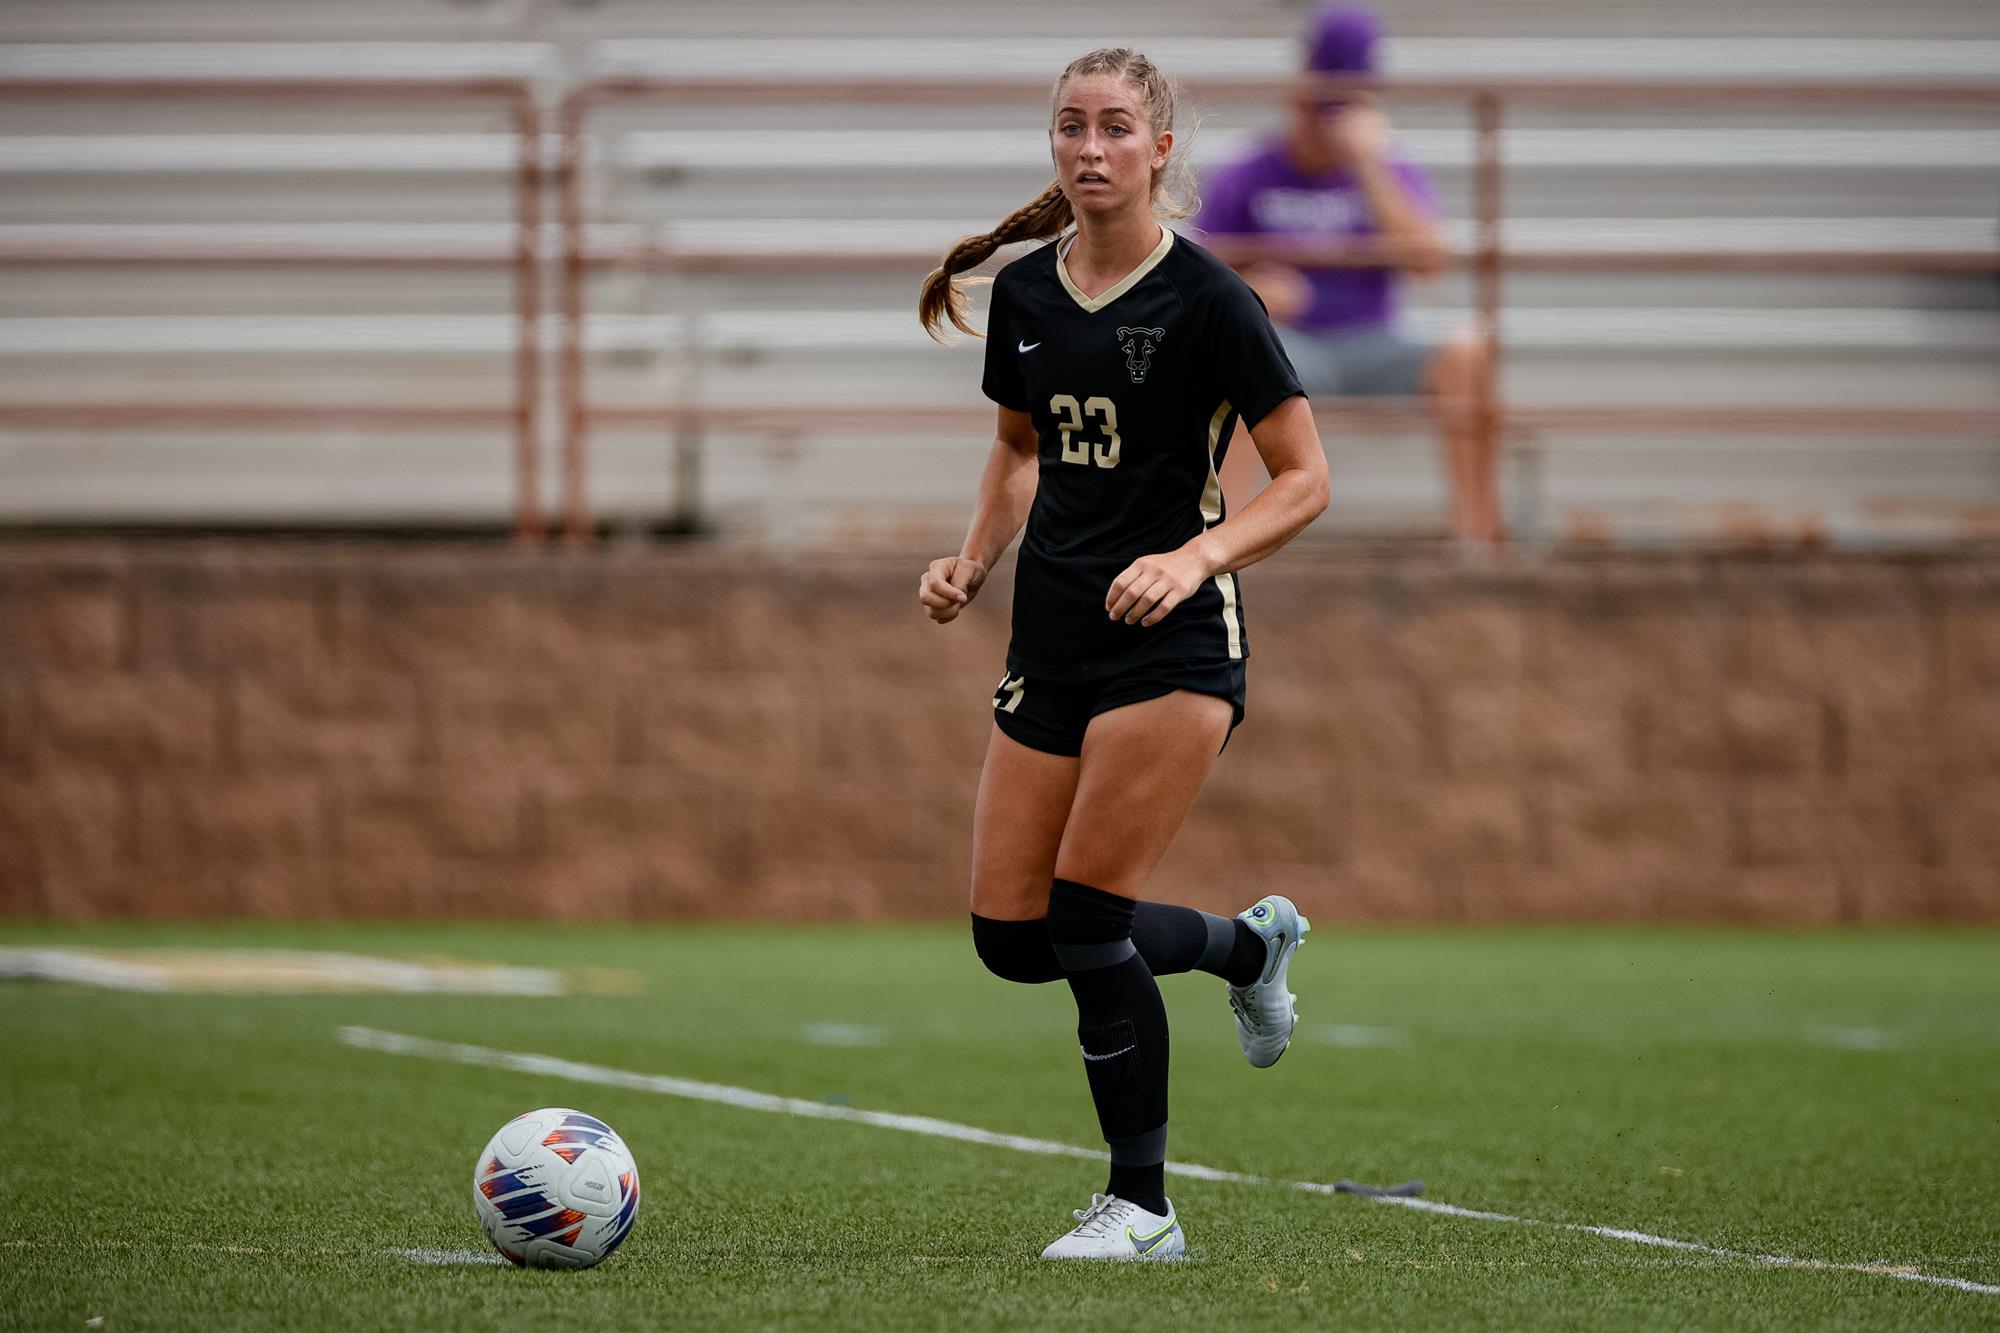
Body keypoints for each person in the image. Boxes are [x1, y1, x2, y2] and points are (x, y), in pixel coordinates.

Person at [914, 47, 1331, 1261]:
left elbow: (1304, 481)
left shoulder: (1209, 300)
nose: (1087, 149)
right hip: (1049, 633)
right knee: (1011, 938)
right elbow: (1018, 451)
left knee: (1087, 920)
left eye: (1111, 129)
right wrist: (971, 558)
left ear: (1158, 150)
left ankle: (1141, 1207)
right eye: (1067, 128)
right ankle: (1248, 947)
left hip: (1174, 643)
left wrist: (1196, 561)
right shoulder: (1031, 297)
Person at [1199, 3, 1501, 549]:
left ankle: (1476, 543)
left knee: (1469, 351)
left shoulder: (1386, 166)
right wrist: (1247, 291)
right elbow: (1191, 271)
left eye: (1342, 109)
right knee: (1236, 356)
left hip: (1372, 343)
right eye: (1318, 107)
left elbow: (1430, 260)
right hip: (1289, 350)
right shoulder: (1251, 170)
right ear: (1297, 93)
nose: (1325, 124)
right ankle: (1226, 546)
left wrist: (1369, 165)